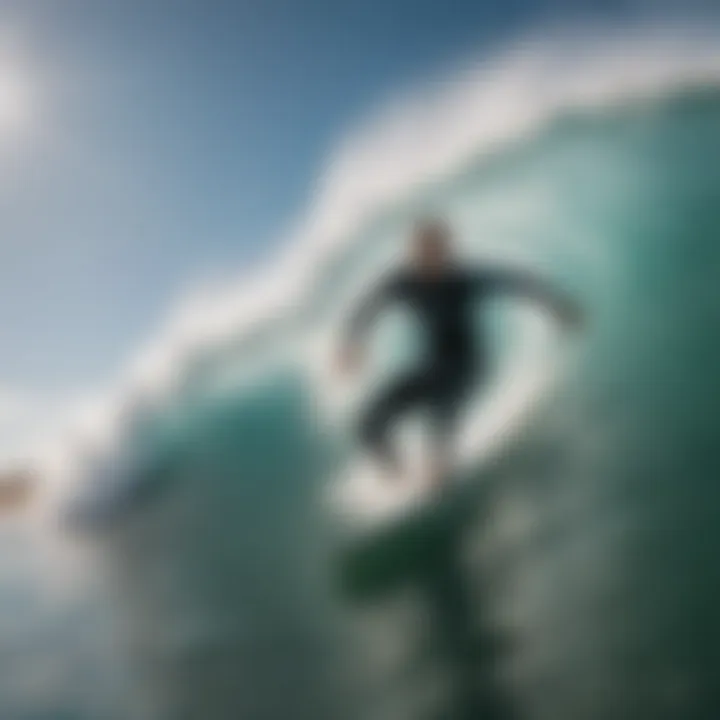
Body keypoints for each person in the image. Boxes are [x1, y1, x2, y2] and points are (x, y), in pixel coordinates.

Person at [336, 217, 582, 488]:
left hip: (467, 365)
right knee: (369, 423)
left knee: (440, 416)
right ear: (414, 253)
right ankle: (397, 475)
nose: (432, 258)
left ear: (447, 252)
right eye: (423, 251)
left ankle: (440, 470)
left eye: (438, 251)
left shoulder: (464, 280)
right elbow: (369, 305)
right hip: (430, 365)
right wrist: (352, 343)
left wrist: (556, 305)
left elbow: (515, 282)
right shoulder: (403, 281)